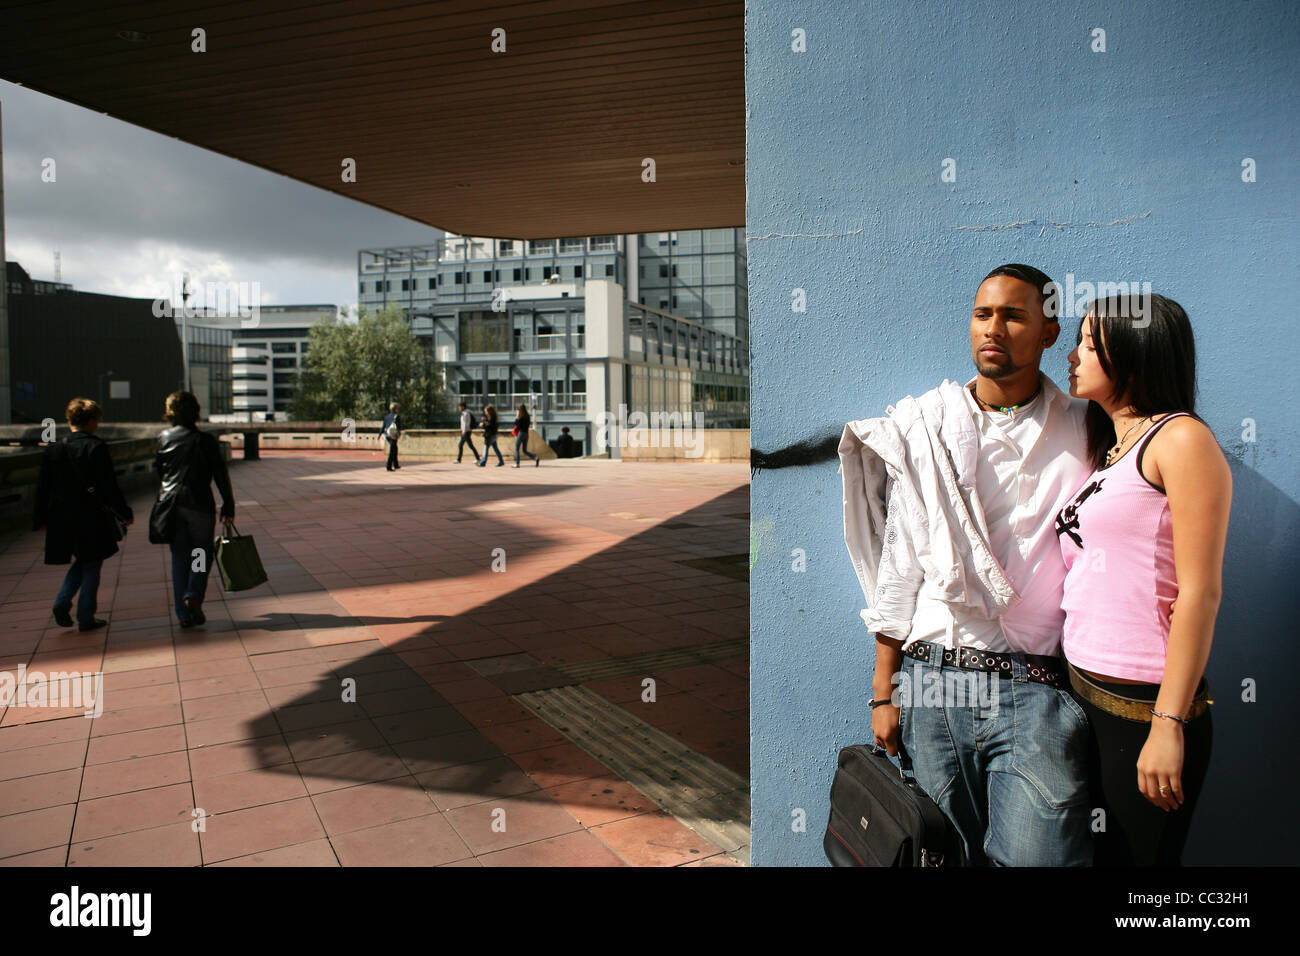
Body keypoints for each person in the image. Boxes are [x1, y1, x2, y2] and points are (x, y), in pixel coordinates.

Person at [842, 264, 1095, 866]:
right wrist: (884, 692)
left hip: (1036, 690)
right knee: (937, 860)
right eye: (984, 314)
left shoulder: (1086, 427)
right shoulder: (929, 425)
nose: (995, 328)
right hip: (932, 684)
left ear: (1049, 332)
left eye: (1014, 315)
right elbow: (900, 562)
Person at [1056, 293, 1229, 866]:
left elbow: (1200, 593)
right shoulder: (1110, 447)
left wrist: (1168, 724)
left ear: (1132, 350)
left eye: (1088, 343)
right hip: (1082, 692)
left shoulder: (1181, 441)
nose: (1072, 356)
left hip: (1142, 706)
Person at [34, 398, 133, 632]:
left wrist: (41, 519)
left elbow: (42, 488)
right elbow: (109, 485)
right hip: (91, 516)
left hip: (62, 517)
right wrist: (124, 513)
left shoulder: (55, 449)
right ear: (91, 421)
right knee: (92, 564)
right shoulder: (96, 447)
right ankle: (85, 616)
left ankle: (63, 601)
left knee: (82, 560)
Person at [151, 391, 235, 628]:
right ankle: (193, 594)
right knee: (200, 552)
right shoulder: (205, 440)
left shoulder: (163, 438)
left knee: (179, 558)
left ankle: (182, 613)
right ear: (196, 411)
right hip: (199, 503)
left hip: (171, 506)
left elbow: (160, 473)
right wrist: (228, 502)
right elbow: (220, 474)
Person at [513, 403, 540, 468]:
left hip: (521, 433)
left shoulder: (521, 417)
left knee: (516, 448)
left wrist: (517, 416)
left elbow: (516, 423)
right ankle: (535, 458)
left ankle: (517, 464)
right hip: (526, 434)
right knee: (524, 450)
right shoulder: (527, 416)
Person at [381, 402, 402, 471]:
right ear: (395, 409)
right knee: (392, 451)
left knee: (395, 448)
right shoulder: (397, 416)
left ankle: (396, 464)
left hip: (387, 435)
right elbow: (398, 427)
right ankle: (389, 466)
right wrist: (399, 433)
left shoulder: (386, 417)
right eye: (398, 408)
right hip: (393, 435)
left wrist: (379, 434)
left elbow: (383, 426)